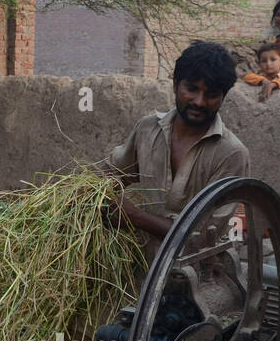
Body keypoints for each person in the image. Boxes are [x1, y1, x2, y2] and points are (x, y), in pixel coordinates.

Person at [106, 40, 250, 261]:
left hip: (197, 280)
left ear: (223, 97)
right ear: (175, 85)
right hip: (139, 268)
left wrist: (135, 216)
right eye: (191, 89)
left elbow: (202, 238)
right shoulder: (147, 129)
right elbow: (110, 175)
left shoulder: (231, 153)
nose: (199, 102)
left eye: (211, 94)